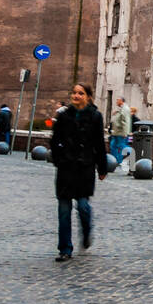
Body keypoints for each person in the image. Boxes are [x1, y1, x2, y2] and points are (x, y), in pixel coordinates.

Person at [49, 83, 108, 262]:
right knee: (64, 209)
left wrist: (102, 167)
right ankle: (65, 249)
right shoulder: (64, 116)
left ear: (88, 96)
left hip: (85, 167)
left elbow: (99, 143)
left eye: (80, 93)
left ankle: (87, 229)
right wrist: (59, 159)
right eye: (74, 93)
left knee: (83, 206)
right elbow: (55, 140)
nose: (76, 96)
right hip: (66, 168)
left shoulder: (96, 116)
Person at [109, 96, 131, 162]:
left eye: (117, 100)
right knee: (113, 146)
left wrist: (125, 133)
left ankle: (133, 152)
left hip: (121, 132)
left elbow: (125, 121)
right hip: (116, 132)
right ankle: (115, 160)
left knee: (121, 146)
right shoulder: (120, 108)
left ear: (121, 101)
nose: (116, 101)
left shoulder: (125, 109)